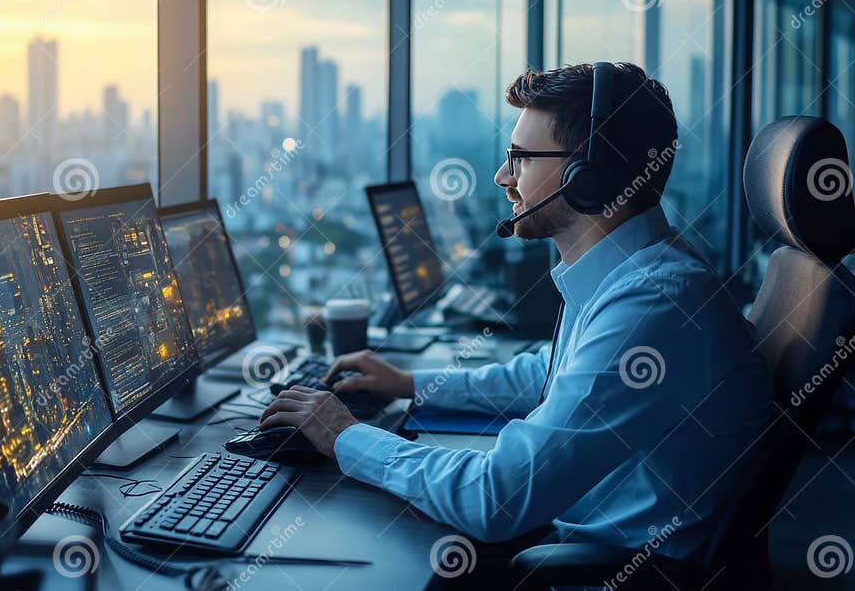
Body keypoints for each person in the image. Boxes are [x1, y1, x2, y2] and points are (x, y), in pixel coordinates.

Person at [259, 62, 774, 561]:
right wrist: (409, 382)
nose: (503, 176)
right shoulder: (637, 273)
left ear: (587, 175)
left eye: (521, 158)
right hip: (583, 535)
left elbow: (495, 499)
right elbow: (553, 376)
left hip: (611, 567)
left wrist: (346, 435)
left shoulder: (655, 305)